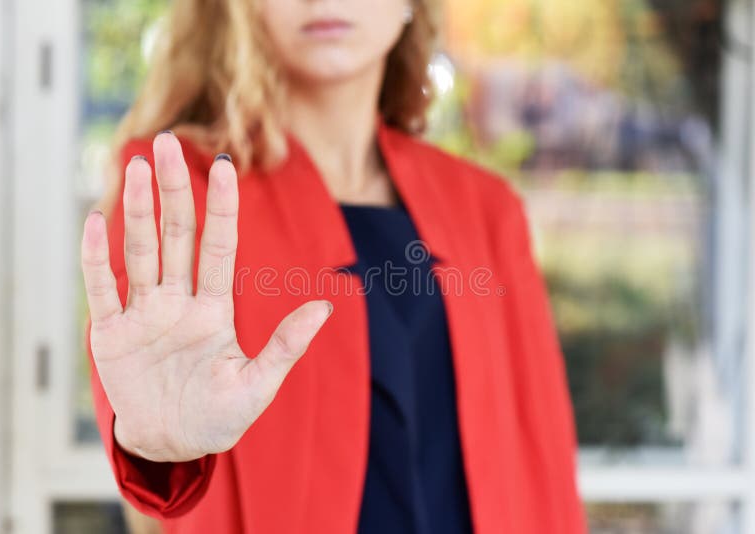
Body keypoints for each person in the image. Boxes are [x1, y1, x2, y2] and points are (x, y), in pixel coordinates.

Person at [81, 0, 586, 533]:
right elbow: (157, 445)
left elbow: (542, 454)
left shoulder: (486, 210)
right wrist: (156, 449)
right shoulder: (181, 191)